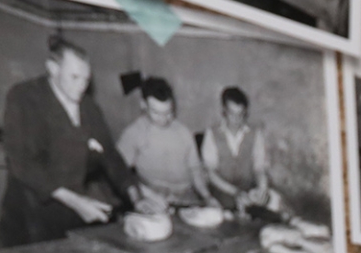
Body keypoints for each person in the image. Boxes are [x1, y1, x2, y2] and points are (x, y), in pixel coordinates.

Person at [0, 36, 136, 248]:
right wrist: (77, 202)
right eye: (74, 77)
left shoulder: (89, 107)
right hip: (30, 215)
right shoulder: (24, 97)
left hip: (70, 215)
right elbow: (22, 164)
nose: (81, 86)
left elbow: (110, 156)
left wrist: (135, 194)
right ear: (52, 68)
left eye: (86, 80)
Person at [116, 77, 206, 206]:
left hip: (186, 198)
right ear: (143, 105)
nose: (164, 119)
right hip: (153, 199)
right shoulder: (134, 133)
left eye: (168, 113)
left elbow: (195, 170)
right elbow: (119, 172)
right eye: (157, 113)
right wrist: (146, 194)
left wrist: (207, 197)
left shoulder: (184, 132)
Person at [201, 87, 280, 220]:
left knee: (271, 207)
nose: (236, 120)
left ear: (245, 113)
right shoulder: (212, 133)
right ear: (224, 112)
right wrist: (235, 193)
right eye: (232, 114)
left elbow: (259, 167)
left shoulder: (255, 133)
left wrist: (262, 187)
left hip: (248, 191)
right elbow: (211, 173)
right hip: (221, 193)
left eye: (241, 114)